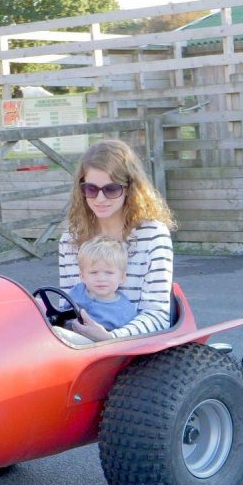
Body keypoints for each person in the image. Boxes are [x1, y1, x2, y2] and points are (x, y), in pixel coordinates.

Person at [58, 139, 176, 341]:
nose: (100, 199)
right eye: (91, 189)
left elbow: (158, 315)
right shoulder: (71, 239)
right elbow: (67, 306)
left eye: (111, 189)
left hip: (135, 344)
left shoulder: (152, 234)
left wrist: (112, 338)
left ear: (130, 189)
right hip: (81, 341)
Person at [66, 236, 137, 338]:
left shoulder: (125, 310)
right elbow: (63, 313)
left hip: (100, 347)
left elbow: (126, 342)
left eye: (109, 272)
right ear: (82, 276)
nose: (101, 278)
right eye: (93, 272)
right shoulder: (77, 292)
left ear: (122, 277)